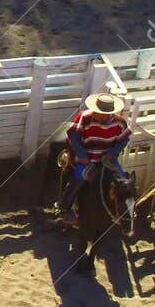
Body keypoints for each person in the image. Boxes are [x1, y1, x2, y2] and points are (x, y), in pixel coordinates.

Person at [61, 92, 131, 226]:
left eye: (105, 113)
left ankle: (123, 213)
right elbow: (73, 135)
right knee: (79, 177)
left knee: (123, 182)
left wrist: (112, 152)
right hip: (88, 157)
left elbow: (123, 140)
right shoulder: (84, 117)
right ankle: (66, 209)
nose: (102, 115)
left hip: (108, 159)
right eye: (99, 112)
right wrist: (82, 155)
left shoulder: (120, 122)